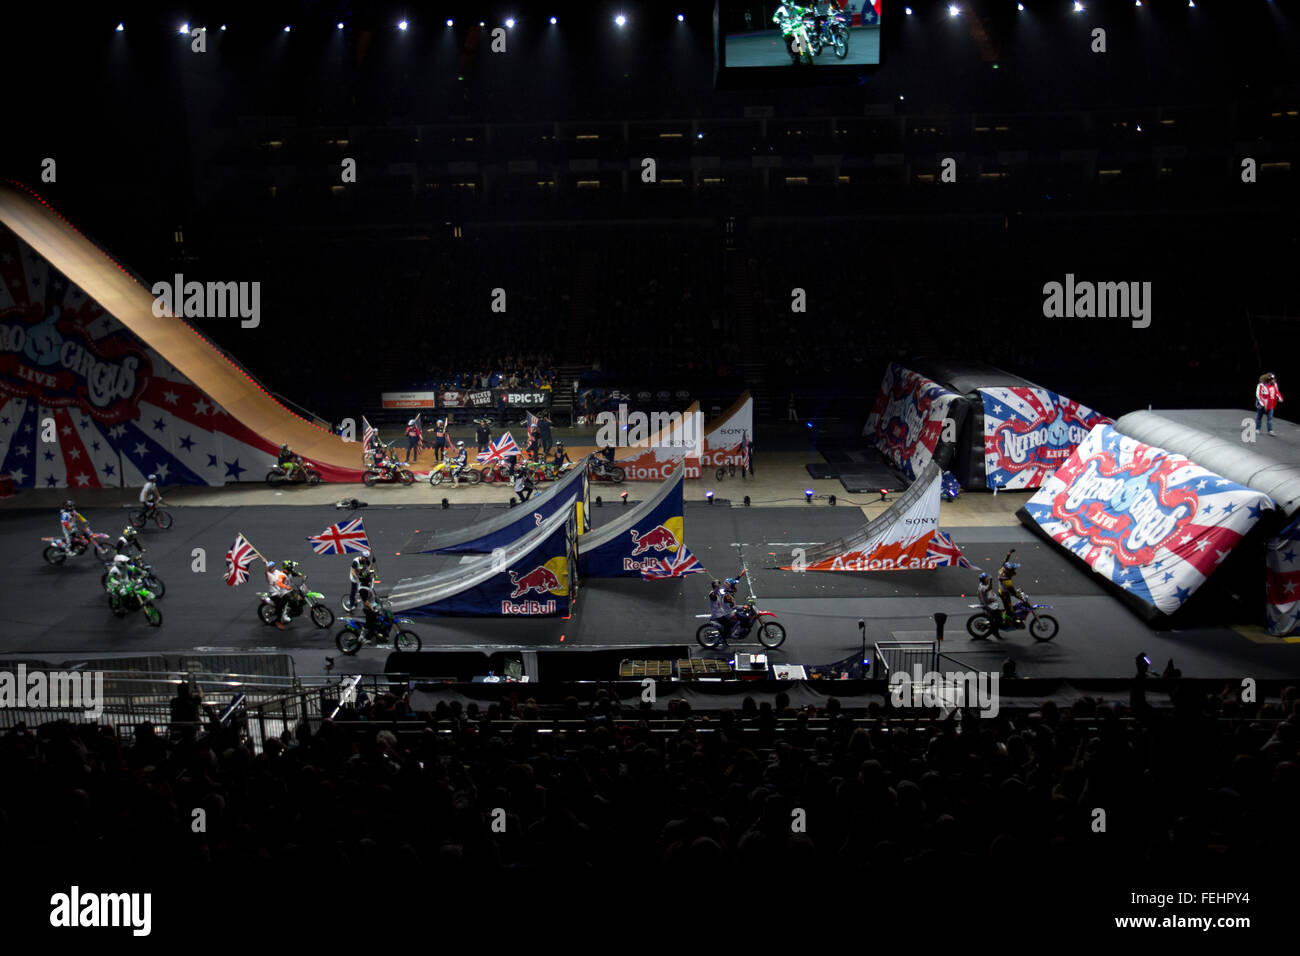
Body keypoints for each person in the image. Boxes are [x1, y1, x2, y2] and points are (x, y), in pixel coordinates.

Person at [708, 579, 738, 649]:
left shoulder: (718, 592)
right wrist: (716, 588)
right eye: (717, 586)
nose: (719, 587)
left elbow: (727, 589)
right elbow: (713, 596)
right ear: (714, 587)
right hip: (718, 615)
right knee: (728, 625)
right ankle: (722, 639)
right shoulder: (712, 594)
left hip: (722, 612)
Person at [265, 560, 294, 628]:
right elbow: (265, 572)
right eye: (271, 568)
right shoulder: (268, 575)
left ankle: (287, 613)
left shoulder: (277, 572)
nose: (273, 568)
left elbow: (284, 573)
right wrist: (265, 564)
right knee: (281, 605)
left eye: (273, 567)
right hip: (274, 594)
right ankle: (278, 621)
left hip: (280, 592)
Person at [997, 561, 1026, 627]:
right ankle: (1004, 622)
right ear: (1009, 571)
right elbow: (1014, 593)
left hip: (1001, 590)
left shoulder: (1001, 570)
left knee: (1008, 607)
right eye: (1013, 570)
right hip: (1004, 594)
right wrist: (1022, 599)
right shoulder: (1007, 581)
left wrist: (1008, 555)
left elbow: (1004, 563)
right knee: (1009, 610)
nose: (1014, 571)